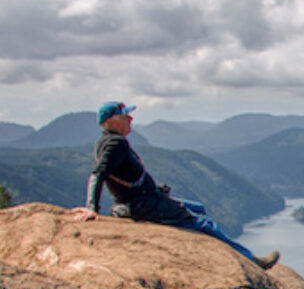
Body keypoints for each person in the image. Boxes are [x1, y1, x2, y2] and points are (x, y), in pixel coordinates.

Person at [75, 101, 279, 269]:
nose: (131, 119)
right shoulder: (115, 143)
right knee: (203, 223)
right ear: (111, 122)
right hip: (144, 204)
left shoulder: (105, 141)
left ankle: (232, 252)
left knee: (197, 208)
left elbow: (119, 176)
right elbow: (98, 174)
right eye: (125, 117)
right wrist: (92, 207)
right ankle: (251, 261)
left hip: (142, 200)